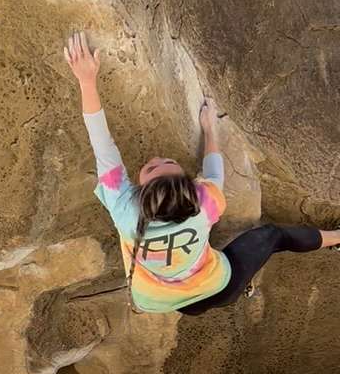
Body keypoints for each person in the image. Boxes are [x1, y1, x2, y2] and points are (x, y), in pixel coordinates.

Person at [64, 31, 340, 315]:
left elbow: (102, 144)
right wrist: (210, 129)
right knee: (272, 236)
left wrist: (87, 81)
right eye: (162, 163)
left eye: (154, 165)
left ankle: (244, 280)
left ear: (140, 191)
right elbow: (214, 173)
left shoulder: (125, 209)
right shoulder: (203, 202)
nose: (156, 158)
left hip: (162, 301)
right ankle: (337, 239)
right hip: (219, 286)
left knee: (201, 288)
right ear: (191, 186)